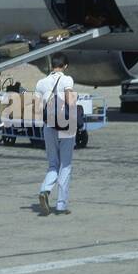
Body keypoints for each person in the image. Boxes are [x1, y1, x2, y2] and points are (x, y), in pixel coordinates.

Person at [36, 54, 78, 215]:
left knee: (53, 163)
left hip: (49, 126)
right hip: (66, 126)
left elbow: (38, 107)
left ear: (52, 65)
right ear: (65, 66)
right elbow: (69, 100)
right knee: (65, 165)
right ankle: (61, 205)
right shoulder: (67, 80)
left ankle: (45, 190)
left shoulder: (41, 83)